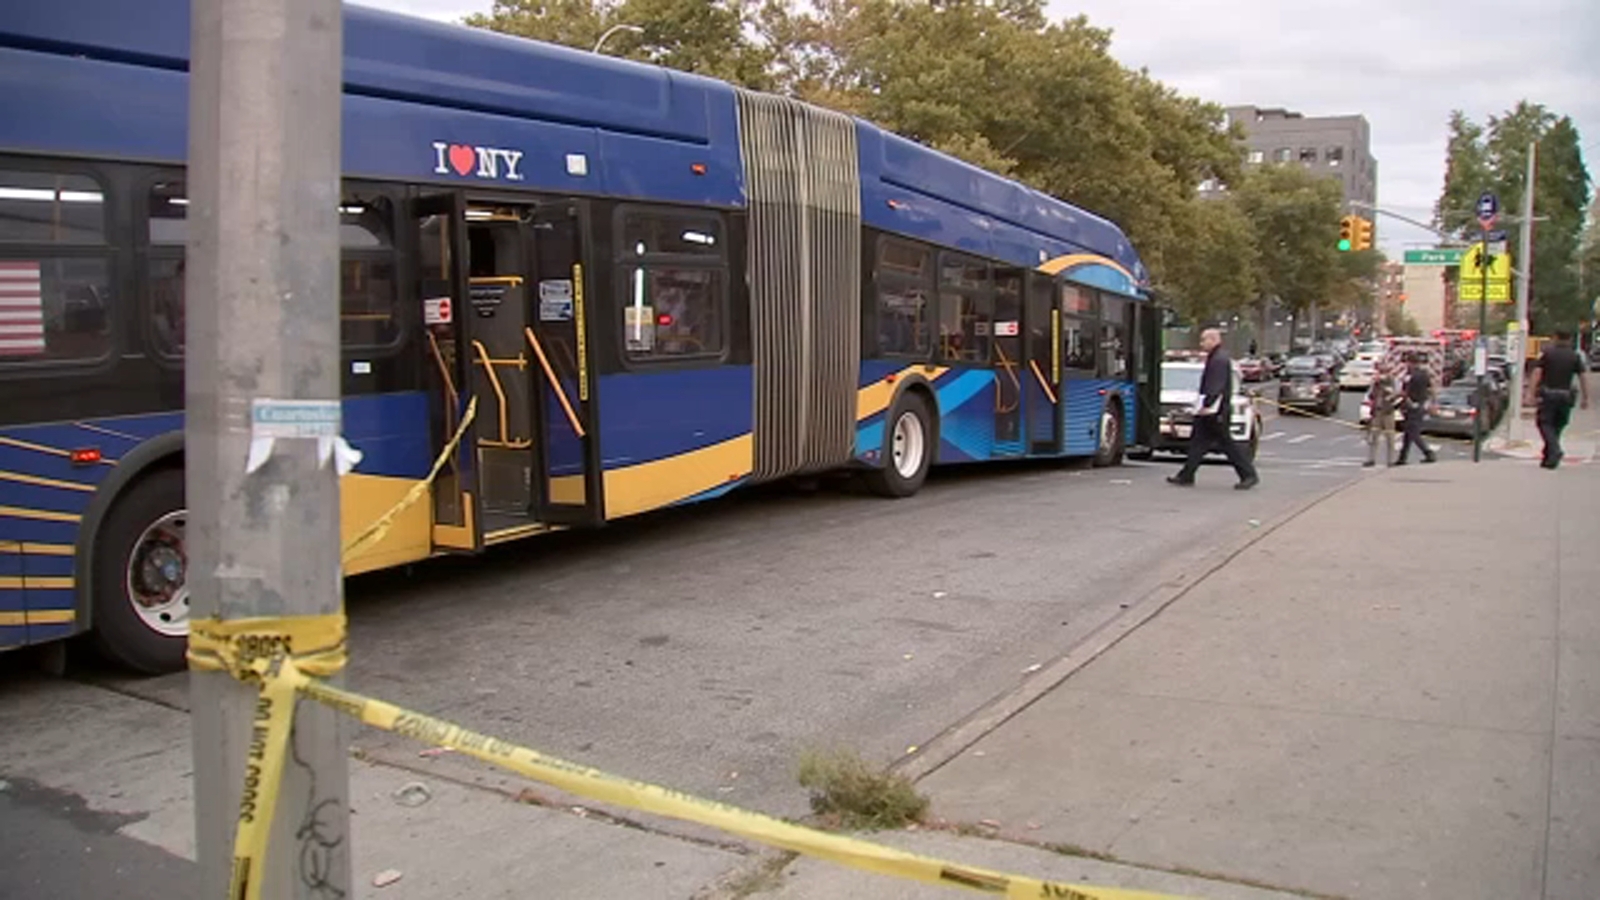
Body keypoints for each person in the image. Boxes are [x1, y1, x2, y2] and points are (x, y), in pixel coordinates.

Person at [1168, 328, 1259, 490]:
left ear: (1213, 340)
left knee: (1227, 445)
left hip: (1215, 412)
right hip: (1213, 411)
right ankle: (1186, 475)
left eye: (1204, 340)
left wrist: (1206, 404)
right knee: (1198, 443)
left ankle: (1248, 474)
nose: (1201, 343)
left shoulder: (1218, 359)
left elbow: (1214, 385)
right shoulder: (1218, 357)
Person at [1526, 328, 1591, 469]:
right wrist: (1585, 397)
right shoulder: (1574, 356)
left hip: (1548, 395)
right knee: (1558, 424)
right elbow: (1583, 377)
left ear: (1555, 337)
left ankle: (1554, 450)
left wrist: (1530, 393)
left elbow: (1537, 373)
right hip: (1566, 396)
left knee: (1544, 423)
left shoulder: (1548, 354)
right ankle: (1549, 455)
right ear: (1569, 339)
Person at [1396, 355, 1437, 465]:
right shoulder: (1424, 374)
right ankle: (1402, 457)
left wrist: (1399, 399)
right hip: (1420, 404)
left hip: (1413, 405)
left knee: (1413, 432)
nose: (1406, 365)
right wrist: (1432, 402)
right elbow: (1431, 389)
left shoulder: (1412, 376)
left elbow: (1406, 392)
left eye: (1407, 363)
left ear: (1411, 363)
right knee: (1408, 433)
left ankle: (1428, 452)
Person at [1363, 360, 1398, 468]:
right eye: (1380, 371)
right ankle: (1371, 459)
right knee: (1374, 436)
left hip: (1388, 412)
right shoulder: (1375, 383)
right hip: (1377, 412)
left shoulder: (1392, 381)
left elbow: (1395, 394)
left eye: (1383, 371)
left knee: (1390, 437)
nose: (1381, 374)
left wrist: (1384, 387)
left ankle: (1390, 460)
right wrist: (1375, 385)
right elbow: (1370, 395)